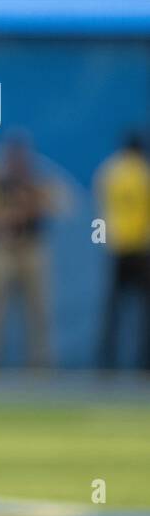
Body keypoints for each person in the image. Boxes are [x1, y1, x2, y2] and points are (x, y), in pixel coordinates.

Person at [0, 135, 56, 367]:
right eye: (13, 159)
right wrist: (10, 214)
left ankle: (41, 363)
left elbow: (53, 205)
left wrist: (28, 207)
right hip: (3, 248)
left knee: (38, 308)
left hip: (30, 247)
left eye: (21, 159)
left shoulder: (35, 183)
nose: (17, 163)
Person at [94, 134, 150, 368]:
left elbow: (101, 209)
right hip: (140, 248)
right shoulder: (144, 172)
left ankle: (106, 362)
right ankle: (143, 362)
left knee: (112, 310)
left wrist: (104, 238)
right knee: (144, 310)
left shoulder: (109, 171)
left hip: (116, 246)